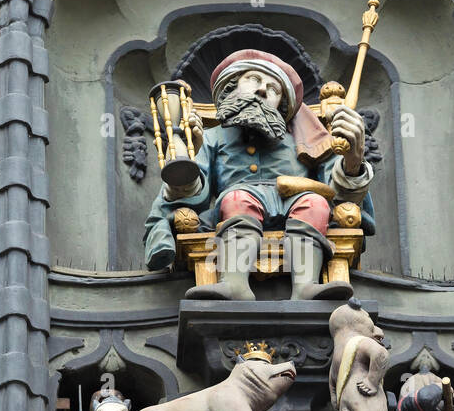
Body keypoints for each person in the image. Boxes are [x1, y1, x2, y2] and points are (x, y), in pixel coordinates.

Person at [143, 49, 375, 300]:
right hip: (238, 204)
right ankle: (234, 284)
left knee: (316, 203)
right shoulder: (211, 136)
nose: (264, 90)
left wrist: (353, 161)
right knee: (237, 200)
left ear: (282, 103)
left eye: (274, 89)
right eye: (253, 80)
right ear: (230, 88)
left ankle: (306, 286)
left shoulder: (307, 139)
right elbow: (190, 197)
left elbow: (340, 197)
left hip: (297, 199)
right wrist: (190, 158)